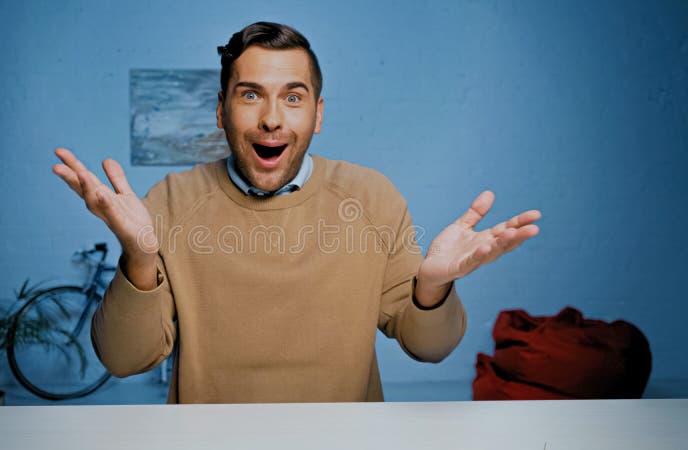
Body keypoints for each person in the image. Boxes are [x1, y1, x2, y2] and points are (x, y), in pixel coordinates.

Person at [52, 22, 541, 404]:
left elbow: (428, 347)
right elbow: (123, 358)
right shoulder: (171, 201)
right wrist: (138, 257)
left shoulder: (371, 197)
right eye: (250, 95)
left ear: (318, 115)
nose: (271, 117)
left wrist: (432, 289)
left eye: (292, 97)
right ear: (220, 111)